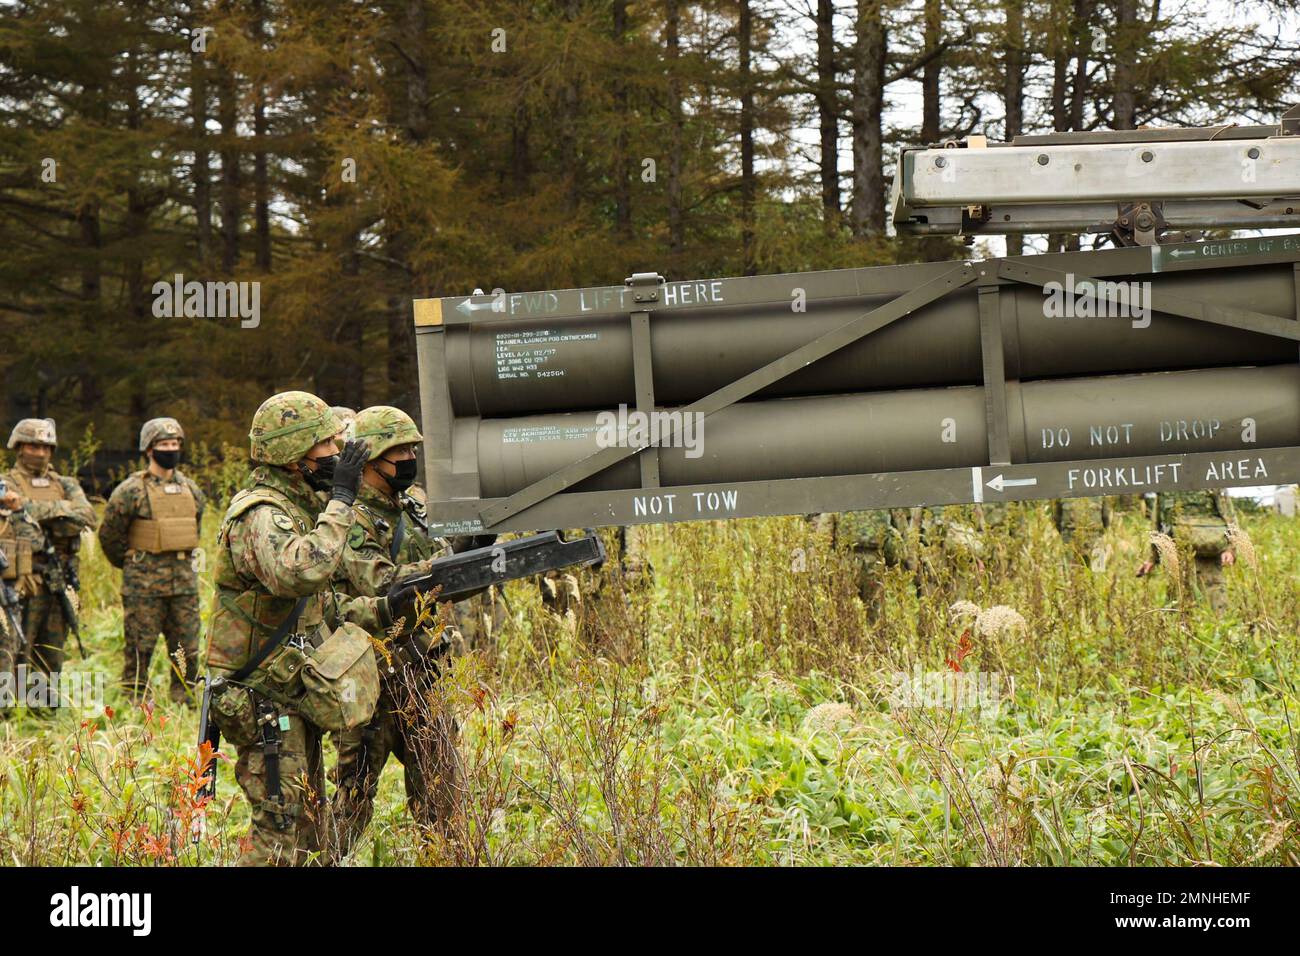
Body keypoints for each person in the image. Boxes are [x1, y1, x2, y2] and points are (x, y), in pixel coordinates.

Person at [201, 390, 430, 866]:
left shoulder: (299, 507)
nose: (338, 454)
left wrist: (387, 609)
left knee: (307, 829)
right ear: (293, 452)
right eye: (327, 445)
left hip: (290, 689)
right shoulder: (261, 513)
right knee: (280, 836)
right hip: (262, 698)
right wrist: (343, 499)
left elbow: (324, 607)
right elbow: (300, 573)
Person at [329, 405, 464, 855]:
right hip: (372, 678)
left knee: (444, 794)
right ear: (370, 461)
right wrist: (445, 569)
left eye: (413, 449)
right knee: (351, 801)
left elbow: (441, 559)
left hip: (423, 670)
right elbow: (383, 583)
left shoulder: (411, 506)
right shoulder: (349, 518)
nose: (410, 458)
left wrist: (475, 546)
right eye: (399, 451)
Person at [98, 417, 207, 704]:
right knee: (139, 647)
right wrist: (133, 564)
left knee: (187, 648)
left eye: (174, 444)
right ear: (149, 449)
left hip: (183, 582)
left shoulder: (191, 489)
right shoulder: (130, 490)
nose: (170, 449)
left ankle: (183, 701)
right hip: (143, 585)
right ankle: (134, 703)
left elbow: (196, 526)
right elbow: (109, 535)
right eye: (163, 444)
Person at [3, 418, 96, 690]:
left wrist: (27, 507)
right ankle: (10, 709)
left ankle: (44, 708)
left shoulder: (66, 483)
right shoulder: (6, 483)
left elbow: (87, 517)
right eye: (33, 446)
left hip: (59, 577)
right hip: (20, 579)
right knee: (16, 646)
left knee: (52, 649)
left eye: (46, 447)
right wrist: (61, 511)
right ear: (19, 447)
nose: (40, 453)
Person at [1137, 490, 1236, 609]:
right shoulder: (1167, 481)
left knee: (1214, 598)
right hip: (1177, 552)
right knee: (1178, 598)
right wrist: (1152, 558)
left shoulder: (1210, 477)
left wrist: (1230, 549)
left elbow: (1229, 517)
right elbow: (1158, 520)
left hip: (1207, 550)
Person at [1053, 497, 1112, 570]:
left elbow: (1056, 519)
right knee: (1097, 573)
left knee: (1070, 574)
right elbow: (1106, 519)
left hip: (1073, 539)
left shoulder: (1063, 493)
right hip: (1090, 539)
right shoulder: (1099, 492)